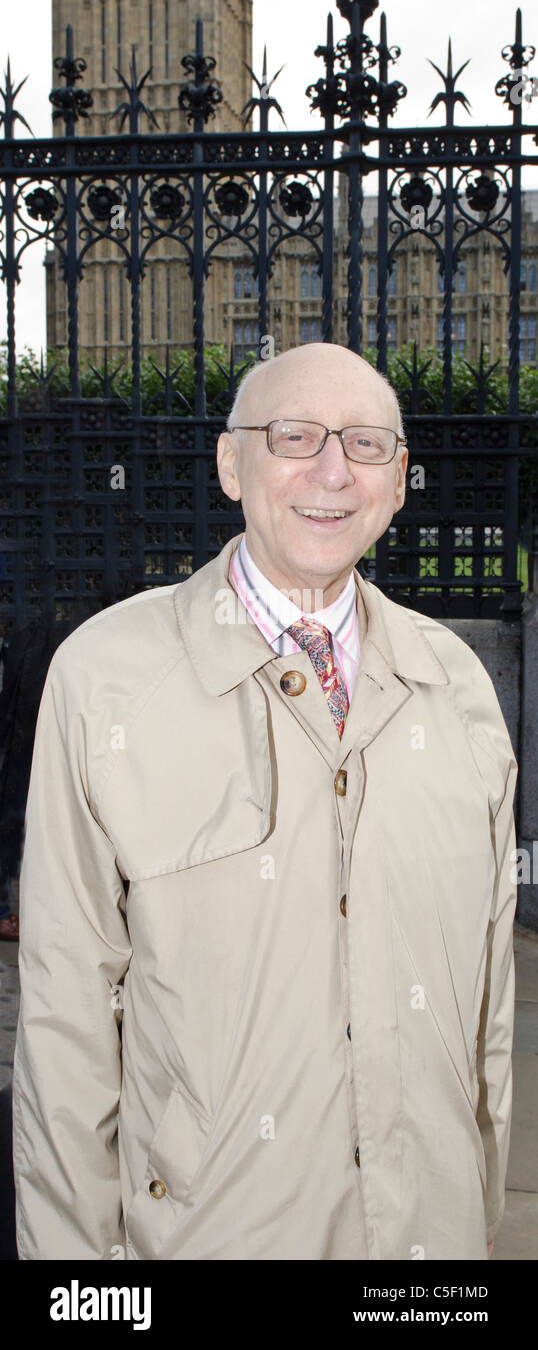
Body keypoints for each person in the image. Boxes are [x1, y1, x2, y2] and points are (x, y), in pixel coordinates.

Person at [12, 342, 517, 1261]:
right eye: (294, 436)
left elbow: (487, 1021)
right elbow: (64, 1023)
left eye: (365, 445)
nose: (332, 471)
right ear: (231, 463)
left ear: (400, 482)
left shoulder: (457, 686)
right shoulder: (105, 679)